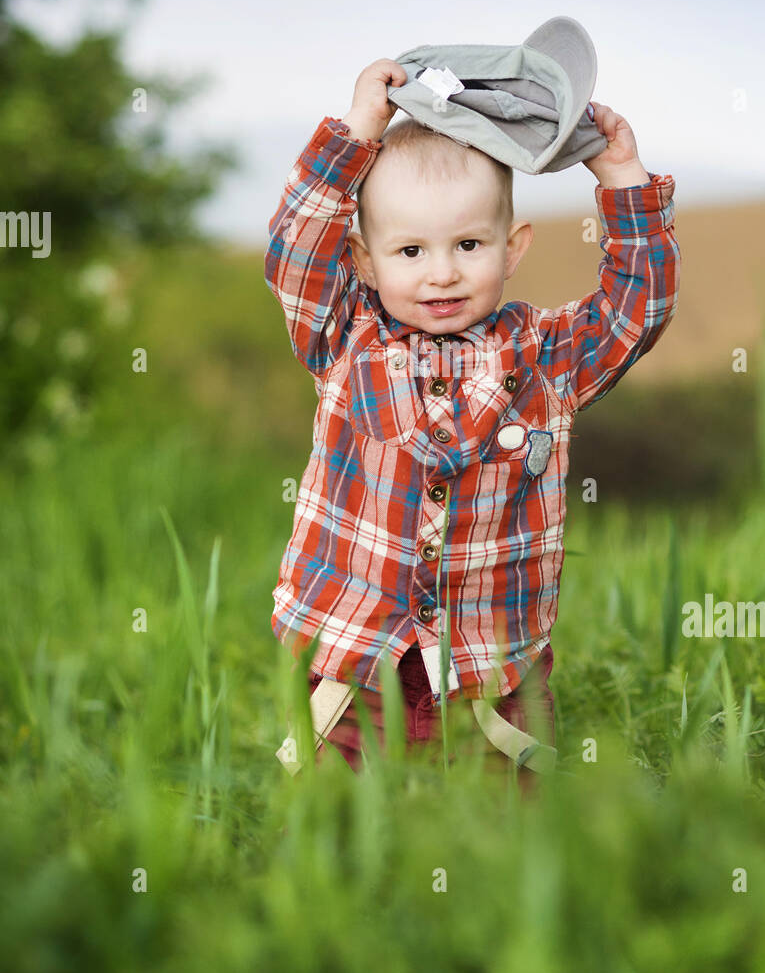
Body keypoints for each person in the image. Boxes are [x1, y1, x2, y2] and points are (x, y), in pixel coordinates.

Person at [265, 56, 680, 787]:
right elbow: (297, 250)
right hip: (355, 658)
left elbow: (632, 314)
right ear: (364, 259)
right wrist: (359, 131)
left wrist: (622, 183)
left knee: (503, 833)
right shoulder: (345, 335)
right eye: (410, 250)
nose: (442, 273)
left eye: (468, 245)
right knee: (338, 820)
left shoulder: (546, 355)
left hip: (493, 668)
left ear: (511, 247)